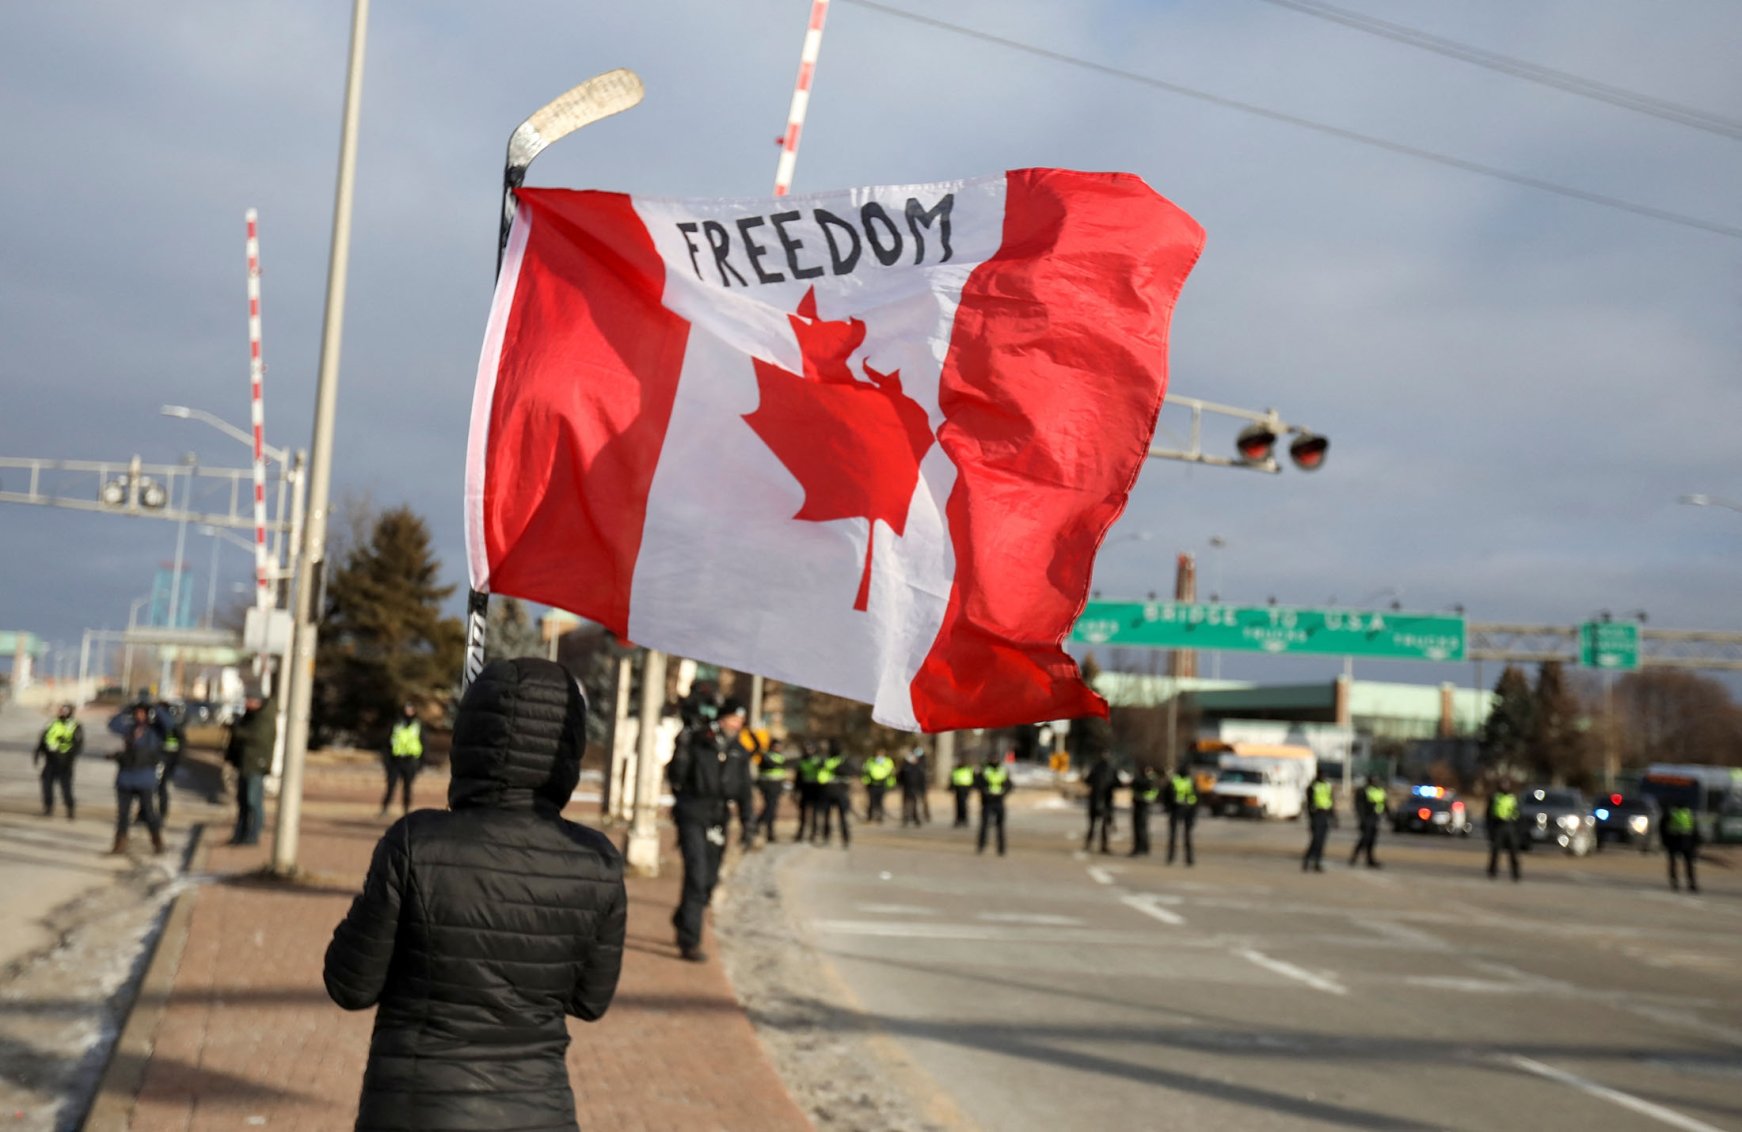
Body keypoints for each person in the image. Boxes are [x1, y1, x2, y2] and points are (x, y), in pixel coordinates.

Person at [324, 656, 624, 1132]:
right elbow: (591, 1000)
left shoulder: (416, 842)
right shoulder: (597, 861)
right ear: (567, 749)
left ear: (470, 740)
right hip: (539, 1111)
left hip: (415, 1109)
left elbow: (350, 985)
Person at [668, 697, 752, 961]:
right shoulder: (698, 741)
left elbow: (745, 792)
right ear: (721, 718)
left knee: (709, 880)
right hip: (692, 811)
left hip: (718, 817)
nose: (736, 724)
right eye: (733, 719)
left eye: (740, 721)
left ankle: (683, 917)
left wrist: (749, 823)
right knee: (696, 875)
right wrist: (681, 749)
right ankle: (690, 941)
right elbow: (675, 776)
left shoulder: (739, 751)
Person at [107, 703, 166, 855]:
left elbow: (170, 725)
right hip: (126, 777)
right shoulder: (129, 729)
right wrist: (125, 709)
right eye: (136, 713)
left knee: (149, 813)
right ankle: (120, 843)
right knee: (122, 814)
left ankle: (157, 841)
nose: (139, 716)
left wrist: (157, 709)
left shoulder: (154, 731)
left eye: (143, 713)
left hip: (145, 778)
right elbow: (113, 725)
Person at [225, 688, 277, 847]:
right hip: (245, 763)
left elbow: (256, 736)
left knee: (253, 801)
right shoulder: (250, 716)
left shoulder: (264, 718)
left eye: (249, 700)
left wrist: (237, 730)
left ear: (257, 701)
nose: (246, 703)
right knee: (242, 802)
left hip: (255, 764)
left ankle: (253, 835)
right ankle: (240, 833)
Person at [35, 703, 82, 820]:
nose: (62, 712)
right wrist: (37, 753)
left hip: (65, 762)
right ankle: (48, 807)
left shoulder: (75, 725)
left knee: (66, 787)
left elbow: (78, 744)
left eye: (65, 710)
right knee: (47, 786)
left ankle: (70, 809)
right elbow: (43, 738)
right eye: (61, 710)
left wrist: (71, 758)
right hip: (50, 760)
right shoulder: (52, 723)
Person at [381, 703, 423, 816]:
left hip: (410, 761)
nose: (408, 711)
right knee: (391, 786)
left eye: (411, 709)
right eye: (407, 709)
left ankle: (406, 810)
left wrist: (420, 764)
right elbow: (386, 744)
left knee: (408, 787)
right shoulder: (396, 724)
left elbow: (424, 744)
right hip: (396, 761)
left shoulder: (418, 725)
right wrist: (387, 762)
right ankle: (384, 808)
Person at [153, 701, 187, 822]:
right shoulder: (157, 725)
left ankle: (162, 813)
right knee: (151, 788)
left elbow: (176, 746)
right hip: (159, 759)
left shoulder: (172, 728)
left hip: (167, 760)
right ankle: (147, 812)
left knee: (161, 788)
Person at [754, 737, 790, 844]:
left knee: (772, 809)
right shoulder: (766, 756)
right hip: (768, 786)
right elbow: (769, 765)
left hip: (777, 786)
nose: (778, 748)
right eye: (776, 746)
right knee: (769, 808)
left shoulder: (781, 757)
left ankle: (769, 832)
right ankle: (757, 823)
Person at [816, 740, 852, 848]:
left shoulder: (843, 760)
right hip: (829, 791)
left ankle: (845, 839)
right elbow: (820, 774)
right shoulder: (825, 760)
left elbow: (848, 772)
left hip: (839, 791)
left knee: (842, 818)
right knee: (827, 817)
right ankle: (827, 837)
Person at [1486, 779, 1523, 882]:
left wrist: (1517, 827)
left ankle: (1516, 873)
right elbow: (1488, 813)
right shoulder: (1495, 797)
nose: (1504, 787)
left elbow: (1518, 813)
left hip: (1510, 825)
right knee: (1495, 851)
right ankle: (1492, 872)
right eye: (1503, 785)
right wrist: (1490, 829)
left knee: (1514, 852)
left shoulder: (1513, 798)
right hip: (1498, 825)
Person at [976, 753, 1012, 855]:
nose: (994, 760)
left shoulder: (1003, 770)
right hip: (987, 802)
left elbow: (1009, 785)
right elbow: (978, 784)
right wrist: (985, 793)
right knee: (984, 825)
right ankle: (981, 846)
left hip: (999, 801)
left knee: (1000, 826)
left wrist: (1003, 793)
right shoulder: (984, 770)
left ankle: (1001, 849)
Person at [1661, 802, 1701, 893]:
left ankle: (1674, 882)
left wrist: (1665, 842)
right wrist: (1696, 843)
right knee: (1689, 864)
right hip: (1687, 842)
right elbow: (1695, 830)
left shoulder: (1670, 814)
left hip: (1673, 842)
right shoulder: (1689, 814)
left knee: (1673, 863)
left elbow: (1663, 829)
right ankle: (1692, 883)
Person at [1350, 775, 1388, 868]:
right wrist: (1361, 818)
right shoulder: (1363, 790)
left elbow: (1384, 803)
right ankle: (1354, 857)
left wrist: (1389, 815)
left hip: (1375, 817)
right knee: (1365, 838)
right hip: (1367, 817)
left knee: (1372, 840)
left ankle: (1370, 859)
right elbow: (1359, 806)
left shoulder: (1380, 790)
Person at [1083, 751, 1117, 854]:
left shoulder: (1095, 768)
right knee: (1104, 825)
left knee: (1093, 824)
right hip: (1106, 800)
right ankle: (1104, 845)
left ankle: (1089, 844)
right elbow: (1117, 783)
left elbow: (1087, 781)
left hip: (1095, 799)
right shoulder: (1112, 769)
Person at [1301, 771, 1336, 873]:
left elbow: (1331, 801)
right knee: (1315, 839)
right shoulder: (1313, 786)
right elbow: (1309, 801)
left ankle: (1317, 862)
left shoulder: (1327, 786)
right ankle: (1307, 859)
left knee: (1321, 841)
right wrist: (1311, 814)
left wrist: (1333, 817)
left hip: (1325, 815)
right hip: (1316, 815)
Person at [1165, 764, 1199, 866]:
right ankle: (1189, 859)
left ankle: (1171, 857)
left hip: (1177, 809)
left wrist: (1168, 808)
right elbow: (1197, 797)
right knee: (1186, 836)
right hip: (1187, 810)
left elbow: (1166, 795)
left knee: (1174, 835)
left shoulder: (1175, 781)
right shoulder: (1190, 781)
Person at [1128, 765, 1161, 857]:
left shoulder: (1149, 780)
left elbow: (1149, 791)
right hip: (1141, 805)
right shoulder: (1146, 779)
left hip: (1143, 805)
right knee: (1141, 828)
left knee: (1141, 828)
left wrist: (1139, 796)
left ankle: (1140, 848)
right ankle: (1143, 848)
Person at [794, 742, 822, 843]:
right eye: (807, 749)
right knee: (803, 814)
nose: (809, 751)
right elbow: (797, 778)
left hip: (815, 789)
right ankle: (801, 833)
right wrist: (795, 791)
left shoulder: (818, 761)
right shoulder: (802, 762)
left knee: (814, 813)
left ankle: (814, 833)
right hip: (804, 790)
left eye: (811, 749)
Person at [862, 748, 895, 823]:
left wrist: (891, 783)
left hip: (882, 783)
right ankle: (870, 817)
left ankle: (879, 816)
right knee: (871, 801)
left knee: (880, 801)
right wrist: (865, 781)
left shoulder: (888, 761)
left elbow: (891, 773)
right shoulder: (870, 761)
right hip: (872, 784)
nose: (879, 756)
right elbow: (865, 772)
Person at [898, 749, 927, 827]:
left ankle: (916, 819)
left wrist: (922, 789)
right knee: (907, 805)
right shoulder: (905, 768)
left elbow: (922, 780)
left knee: (915, 804)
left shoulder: (919, 768)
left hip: (916, 789)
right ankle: (905, 819)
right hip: (907, 789)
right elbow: (900, 778)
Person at [950, 760, 976, 828]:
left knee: (964, 805)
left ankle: (964, 819)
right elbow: (952, 779)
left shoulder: (968, 769)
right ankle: (959, 819)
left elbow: (973, 779)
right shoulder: (956, 770)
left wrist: (972, 787)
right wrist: (951, 787)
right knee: (958, 805)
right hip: (958, 788)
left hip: (965, 788)